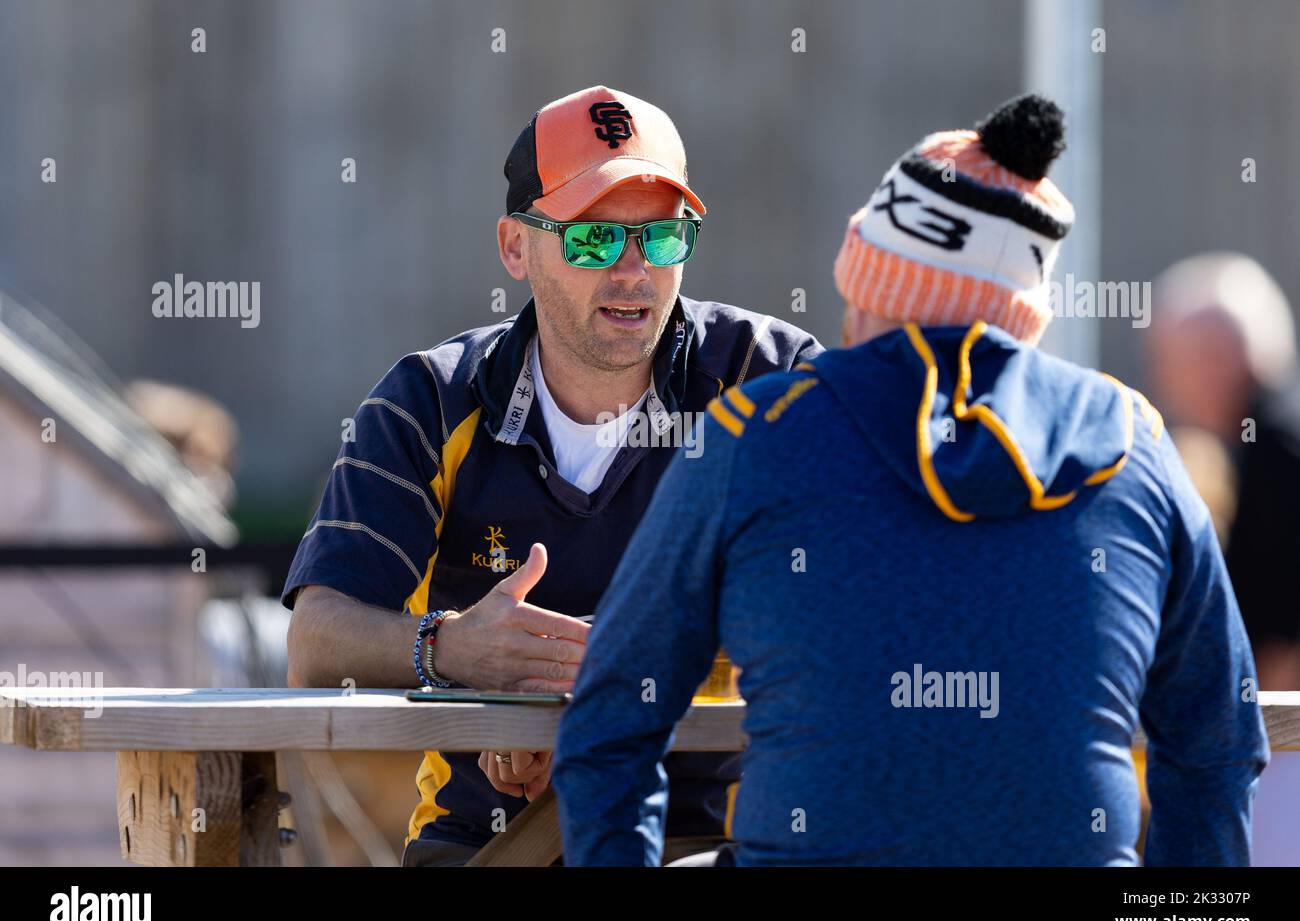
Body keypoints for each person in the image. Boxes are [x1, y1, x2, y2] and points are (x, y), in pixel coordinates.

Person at [553, 94, 1269, 866]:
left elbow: (610, 723)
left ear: (868, 290)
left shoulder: (750, 435)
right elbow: (1219, 744)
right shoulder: (1137, 440)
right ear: (1026, 315)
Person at [280, 85, 823, 866]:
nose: (635, 272)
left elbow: (865, 600)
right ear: (515, 246)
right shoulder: (427, 400)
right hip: (490, 839)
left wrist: (572, 700)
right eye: (595, 241)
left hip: (723, 839)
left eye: (663, 238)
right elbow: (317, 641)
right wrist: (455, 654)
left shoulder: (773, 379)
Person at [1147, 253, 1300, 690]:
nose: (1162, 386)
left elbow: (1279, 635)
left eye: (1168, 362)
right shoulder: (1256, 444)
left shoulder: (1280, 455)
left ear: (1218, 359)